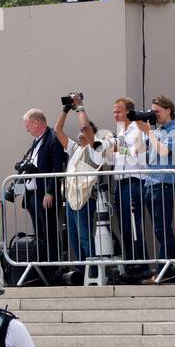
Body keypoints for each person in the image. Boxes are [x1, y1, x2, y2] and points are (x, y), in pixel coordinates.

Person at [54, 95, 103, 263]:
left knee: (85, 237)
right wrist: (66, 110)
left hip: (85, 199)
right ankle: (84, 272)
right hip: (71, 198)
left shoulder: (94, 150)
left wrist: (80, 107)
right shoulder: (75, 148)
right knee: (74, 239)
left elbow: (85, 127)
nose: (80, 133)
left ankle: (94, 270)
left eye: (85, 133)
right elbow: (57, 131)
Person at [142, 95, 175, 280]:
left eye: (157, 112)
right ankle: (165, 269)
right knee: (159, 230)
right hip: (151, 183)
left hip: (164, 184)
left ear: (169, 110)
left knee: (163, 229)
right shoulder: (157, 131)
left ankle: (166, 270)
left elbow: (165, 151)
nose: (154, 115)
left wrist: (148, 132)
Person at [18, 109, 67, 264]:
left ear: (35, 123)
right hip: (33, 195)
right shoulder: (37, 141)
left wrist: (50, 192)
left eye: (27, 125)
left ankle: (53, 266)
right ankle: (43, 265)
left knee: (49, 232)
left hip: (45, 194)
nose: (26, 129)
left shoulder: (53, 138)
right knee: (39, 234)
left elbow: (57, 168)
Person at [109, 97, 149, 280]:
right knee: (125, 226)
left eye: (118, 111)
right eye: (114, 110)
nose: (115, 114)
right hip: (121, 182)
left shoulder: (137, 130)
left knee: (134, 225)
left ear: (128, 112)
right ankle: (130, 264)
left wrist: (118, 149)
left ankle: (140, 264)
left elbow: (136, 154)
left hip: (134, 181)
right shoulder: (120, 131)